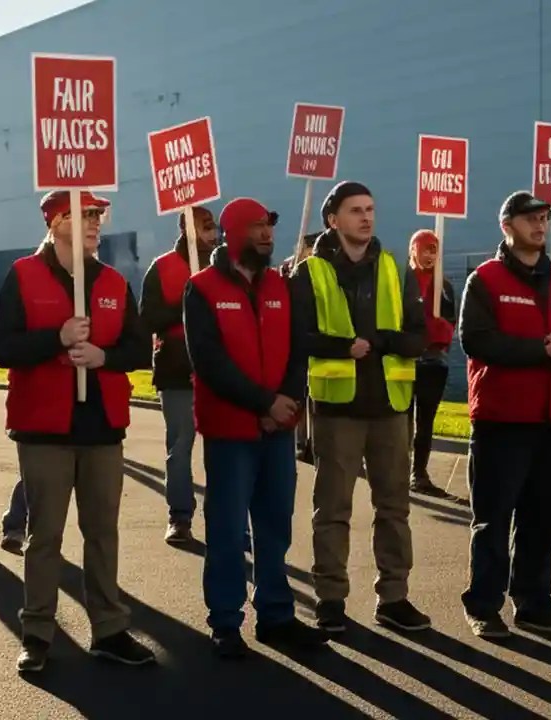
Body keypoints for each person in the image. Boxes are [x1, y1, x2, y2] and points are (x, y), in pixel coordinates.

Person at [0, 190, 155, 673]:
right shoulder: (23, 275)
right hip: (44, 428)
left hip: (102, 426)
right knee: (45, 536)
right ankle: (37, 631)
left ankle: (109, 628)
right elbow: (1, 347)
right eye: (84, 215)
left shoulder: (113, 282)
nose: (95, 223)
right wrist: (55, 339)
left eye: (98, 216)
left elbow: (139, 350)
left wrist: (104, 357)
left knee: (102, 532)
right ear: (55, 221)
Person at [183, 197, 327, 658]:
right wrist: (263, 402)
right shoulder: (201, 288)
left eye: (269, 226)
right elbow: (208, 361)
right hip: (230, 432)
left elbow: (296, 349)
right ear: (232, 233)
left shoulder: (285, 287)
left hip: (277, 430)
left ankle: (276, 616)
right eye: (257, 227)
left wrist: (283, 403)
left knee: (275, 526)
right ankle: (225, 621)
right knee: (226, 530)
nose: (267, 235)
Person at [289, 181, 431, 634]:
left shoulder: (394, 267)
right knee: (333, 509)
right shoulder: (308, 273)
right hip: (337, 409)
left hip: (390, 407)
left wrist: (388, 342)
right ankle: (330, 598)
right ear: (333, 219)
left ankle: (394, 596)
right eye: (355, 210)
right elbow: (297, 338)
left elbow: (418, 335)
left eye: (370, 209)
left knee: (395, 508)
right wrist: (342, 347)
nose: (366, 217)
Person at [457, 191, 551, 638]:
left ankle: (534, 601)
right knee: (493, 516)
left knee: (544, 515)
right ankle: (484, 603)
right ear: (507, 225)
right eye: (530, 218)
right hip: (501, 417)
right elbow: (476, 341)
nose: (540, 225)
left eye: (544, 218)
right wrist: (540, 350)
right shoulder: (486, 279)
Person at [139, 207, 217, 544]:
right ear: (187, 229)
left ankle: (223, 519)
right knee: (180, 447)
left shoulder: (223, 266)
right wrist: (188, 304)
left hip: (218, 373)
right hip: (175, 371)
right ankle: (180, 516)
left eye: (214, 225)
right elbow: (147, 319)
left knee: (221, 452)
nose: (213, 231)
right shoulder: (162, 268)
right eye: (206, 226)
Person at [405, 229, 460, 501]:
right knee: (401, 419)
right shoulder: (404, 282)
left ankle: (419, 472)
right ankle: (397, 469)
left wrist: (441, 330)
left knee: (424, 421)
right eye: (425, 249)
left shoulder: (444, 286)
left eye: (434, 250)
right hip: (404, 361)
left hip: (434, 362)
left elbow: (451, 321)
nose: (429, 255)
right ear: (413, 250)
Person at [281, 233, 318, 464]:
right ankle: (300, 440)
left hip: (314, 338)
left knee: (312, 396)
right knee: (298, 393)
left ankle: (312, 443)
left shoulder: (321, 270)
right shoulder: (290, 269)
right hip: (293, 338)